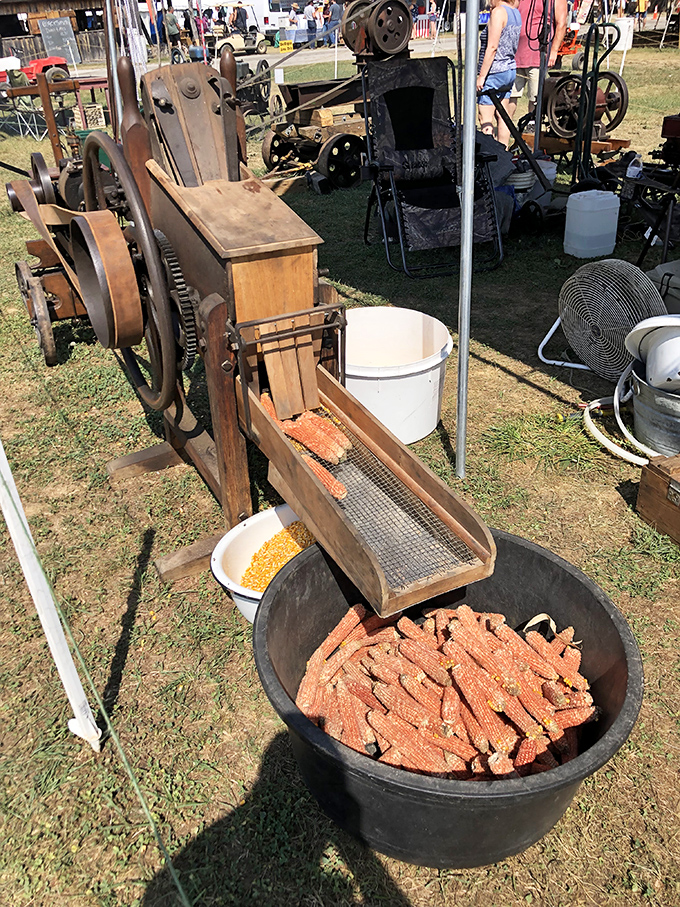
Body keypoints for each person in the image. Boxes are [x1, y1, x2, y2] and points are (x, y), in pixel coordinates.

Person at [507, 0, 567, 121]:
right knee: (510, 96)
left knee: (535, 97)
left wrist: (554, 51)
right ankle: (506, 129)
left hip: (538, 54)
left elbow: (561, 24)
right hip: (514, 54)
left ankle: (532, 126)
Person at [477, 0, 521, 148]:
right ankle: (504, 153)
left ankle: (489, 154)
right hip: (509, 69)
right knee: (503, 116)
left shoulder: (498, 12)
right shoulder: (515, 12)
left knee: (485, 118)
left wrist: (482, 75)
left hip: (494, 71)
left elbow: (493, 47)